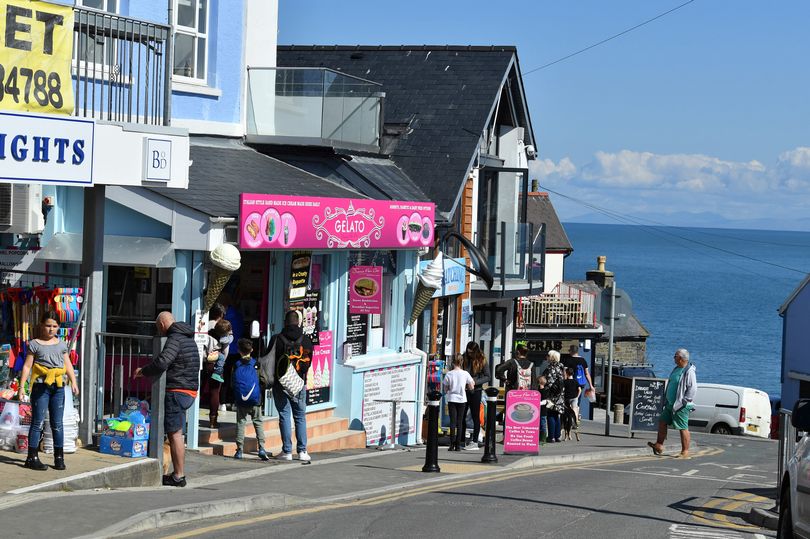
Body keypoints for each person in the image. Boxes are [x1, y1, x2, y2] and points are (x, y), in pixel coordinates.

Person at [134, 312, 199, 487]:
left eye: (158, 329)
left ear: (162, 325)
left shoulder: (174, 338)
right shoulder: (187, 337)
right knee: (177, 432)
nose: (160, 332)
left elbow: (163, 361)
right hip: (190, 390)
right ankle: (178, 473)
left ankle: (178, 476)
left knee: (175, 434)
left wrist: (143, 371)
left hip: (177, 390)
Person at [17, 313, 79, 471]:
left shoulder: (61, 344)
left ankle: (59, 457)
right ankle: (32, 457)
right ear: (41, 325)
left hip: (58, 387)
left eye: (54, 326)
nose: (51, 329)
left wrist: (74, 382)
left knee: (57, 424)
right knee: (37, 422)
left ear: (58, 327)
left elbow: (68, 364)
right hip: (41, 386)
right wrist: (21, 387)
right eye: (48, 325)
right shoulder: (35, 344)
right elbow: (26, 366)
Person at [269, 310, 313, 462]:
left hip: (280, 383)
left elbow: (269, 360)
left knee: (284, 415)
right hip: (299, 383)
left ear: (285, 322)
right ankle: (302, 451)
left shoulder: (276, 339)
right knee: (300, 416)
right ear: (299, 323)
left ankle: (287, 451)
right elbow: (308, 363)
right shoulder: (307, 340)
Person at [648, 348, 696, 459]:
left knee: (682, 427)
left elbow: (693, 388)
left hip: (681, 405)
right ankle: (659, 445)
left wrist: (685, 401)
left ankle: (685, 452)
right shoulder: (676, 369)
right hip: (670, 404)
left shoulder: (689, 371)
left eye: (675, 356)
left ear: (681, 358)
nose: (673, 358)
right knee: (662, 422)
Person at [232, 338, 270, 461]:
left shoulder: (236, 365)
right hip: (256, 400)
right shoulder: (256, 364)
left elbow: (233, 383)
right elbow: (263, 381)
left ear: (239, 351)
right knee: (258, 423)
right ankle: (262, 448)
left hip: (241, 401)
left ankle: (239, 450)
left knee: (241, 423)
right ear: (252, 350)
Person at [461, 342, 490, 450]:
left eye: (471, 353)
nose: (469, 355)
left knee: (475, 415)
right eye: (468, 352)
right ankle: (461, 440)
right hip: (464, 389)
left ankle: (474, 442)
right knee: (462, 415)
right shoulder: (464, 357)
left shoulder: (482, 359)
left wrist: (474, 382)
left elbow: (488, 376)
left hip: (476, 390)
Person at [442, 355, 474, 452]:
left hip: (452, 399)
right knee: (460, 422)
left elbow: (446, 388)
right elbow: (472, 385)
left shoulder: (449, 374)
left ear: (452, 362)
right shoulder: (465, 373)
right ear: (461, 362)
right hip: (462, 399)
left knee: (453, 422)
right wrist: (466, 387)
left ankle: (451, 444)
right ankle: (458, 445)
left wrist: (449, 390)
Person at [202, 304, 225, 429]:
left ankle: (190, 419)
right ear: (221, 315)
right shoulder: (222, 326)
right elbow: (225, 348)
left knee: (197, 389)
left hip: (203, 360)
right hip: (216, 363)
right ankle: (213, 420)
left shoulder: (203, 324)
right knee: (214, 392)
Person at [562, 343, 594, 410]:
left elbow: (564, 373)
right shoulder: (583, 360)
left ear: (571, 351)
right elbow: (587, 373)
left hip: (571, 383)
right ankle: (576, 413)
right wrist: (591, 385)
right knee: (577, 399)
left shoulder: (568, 360)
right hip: (581, 383)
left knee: (568, 399)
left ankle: (570, 415)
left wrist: (564, 382)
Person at [543, 350, 565, 443]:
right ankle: (557, 436)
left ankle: (551, 436)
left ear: (552, 357)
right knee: (557, 415)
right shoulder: (561, 366)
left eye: (548, 355)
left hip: (552, 394)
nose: (547, 357)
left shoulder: (550, 368)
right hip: (560, 395)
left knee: (551, 414)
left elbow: (549, 382)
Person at [563, 367, 581, 434]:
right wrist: (577, 396)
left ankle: (565, 423)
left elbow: (563, 390)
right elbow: (579, 390)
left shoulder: (565, 382)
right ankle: (576, 422)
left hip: (567, 398)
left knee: (567, 411)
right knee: (574, 409)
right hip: (574, 397)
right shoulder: (575, 381)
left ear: (567, 373)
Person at [537, 375, 548, 444]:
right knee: (539, 424)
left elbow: (544, 401)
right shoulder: (539, 390)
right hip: (539, 411)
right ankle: (539, 437)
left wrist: (537, 403)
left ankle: (543, 439)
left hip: (543, 411)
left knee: (543, 425)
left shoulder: (544, 391)